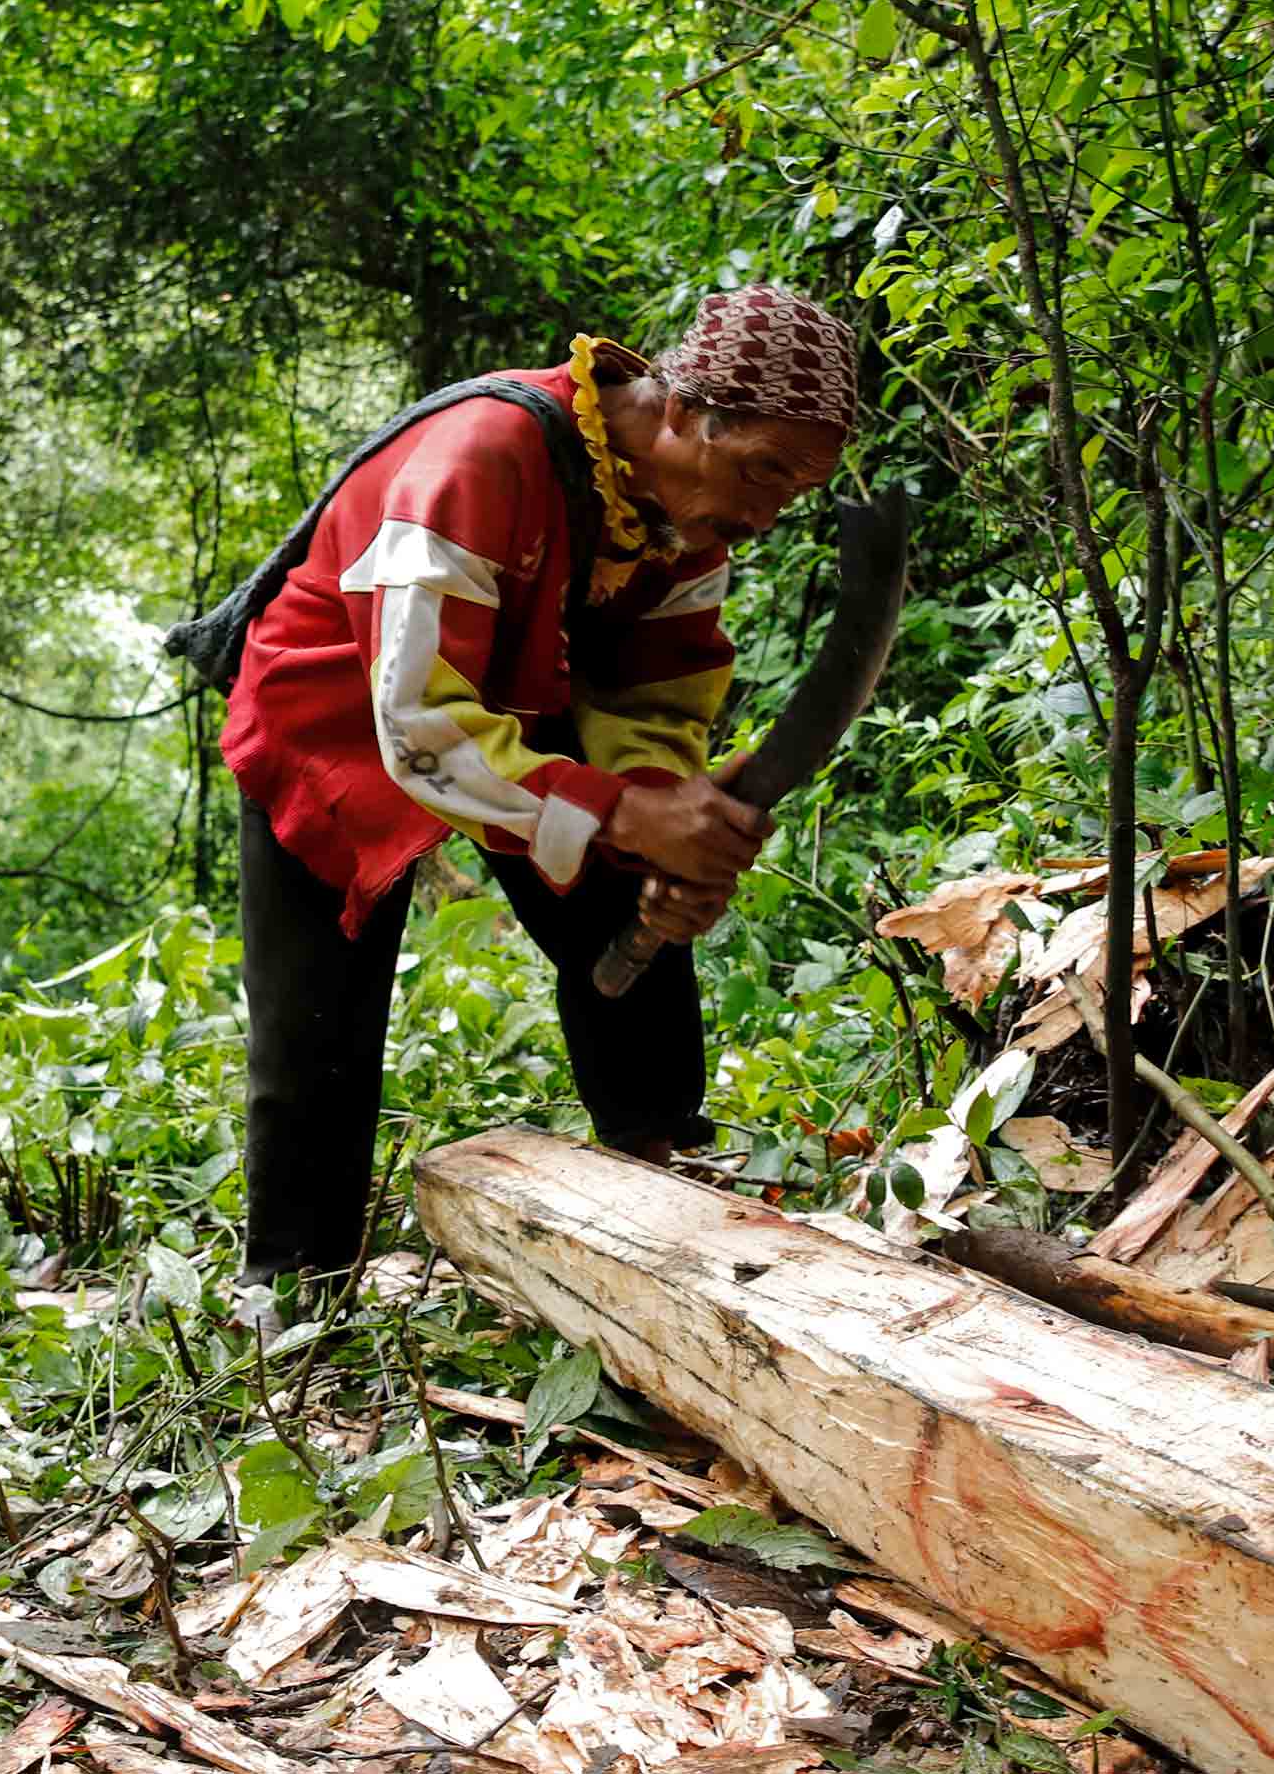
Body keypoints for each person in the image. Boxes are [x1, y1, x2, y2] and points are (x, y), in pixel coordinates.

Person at [213, 284, 859, 1295]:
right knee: (318, 1025)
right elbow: (419, 725)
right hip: (338, 716)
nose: (768, 512)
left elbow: (654, 696)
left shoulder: (691, 515)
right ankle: (292, 1296)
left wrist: (657, 819)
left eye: (795, 489)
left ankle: (664, 1177)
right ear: (685, 409)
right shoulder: (476, 461)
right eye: (764, 471)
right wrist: (626, 812)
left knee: (627, 913)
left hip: (522, 699)